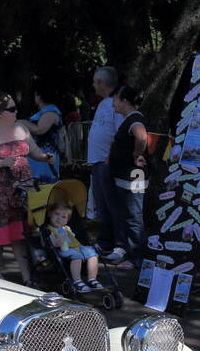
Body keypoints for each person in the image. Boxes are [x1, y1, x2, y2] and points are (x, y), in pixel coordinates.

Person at [0, 92, 54, 283]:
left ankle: (27, 277)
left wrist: (45, 157)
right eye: (12, 109)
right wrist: (2, 163)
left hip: (22, 188)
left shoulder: (21, 129)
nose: (17, 111)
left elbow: (34, 152)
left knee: (21, 234)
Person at [108, 84, 148, 267]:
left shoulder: (134, 119)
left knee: (134, 216)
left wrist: (137, 154)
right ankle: (128, 252)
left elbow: (141, 137)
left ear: (124, 100)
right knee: (128, 214)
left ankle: (136, 258)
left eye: (115, 100)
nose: (113, 104)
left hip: (134, 177)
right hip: (126, 177)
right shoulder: (128, 119)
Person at [87, 67, 123, 255]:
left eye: (95, 81)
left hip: (107, 162)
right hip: (97, 162)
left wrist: (111, 157)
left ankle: (119, 244)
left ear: (102, 83)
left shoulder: (116, 104)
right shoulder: (103, 104)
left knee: (113, 205)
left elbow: (120, 133)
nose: (93, 85)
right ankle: (105, 241)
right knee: (102, 206)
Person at [46, 200, 101, 293]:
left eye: (63, 217)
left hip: (77, 246)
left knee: (92, 253)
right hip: (63, 249)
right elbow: (55, 244)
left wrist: (70, 234)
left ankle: (92, 279)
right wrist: (59, 238)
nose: (59, 218)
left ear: (67, 220)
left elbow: (73, 238)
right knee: (76, 255)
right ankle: (77, 281)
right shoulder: (49, 229)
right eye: (56, 214)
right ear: (50, 214)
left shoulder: (67, 228)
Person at [27, 86, 63, 184]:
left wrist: (23, 123)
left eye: (35, 94)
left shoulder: (50, 111)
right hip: (37, 156)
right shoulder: (44, 111)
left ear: (39, 96)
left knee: (44, 189)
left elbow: (40, 129)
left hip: (46, 155)